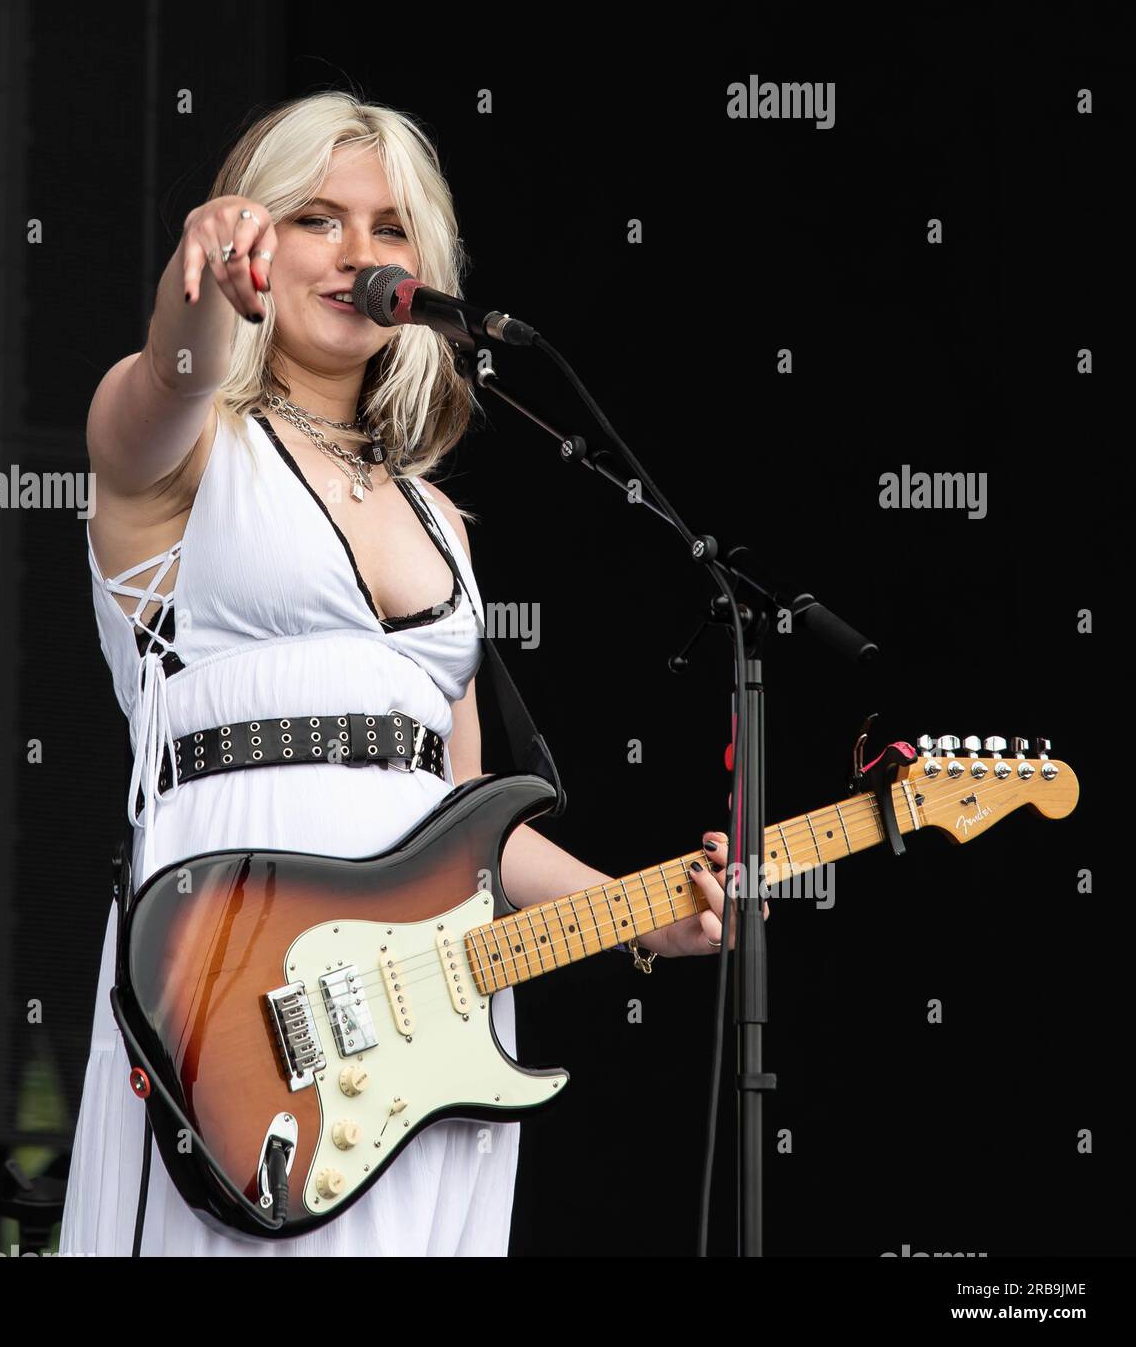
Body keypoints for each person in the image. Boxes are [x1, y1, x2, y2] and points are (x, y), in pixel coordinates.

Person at [59, 89, 742, 1258]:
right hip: (237, 968)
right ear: (252, 240)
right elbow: (168, 381)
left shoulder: (440, 522)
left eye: (388, 228)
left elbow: (466, 827)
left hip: (425, 1017)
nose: (359, 254)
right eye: (318, 218)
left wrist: (640, 913)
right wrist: (195, 303)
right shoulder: (183, 450)